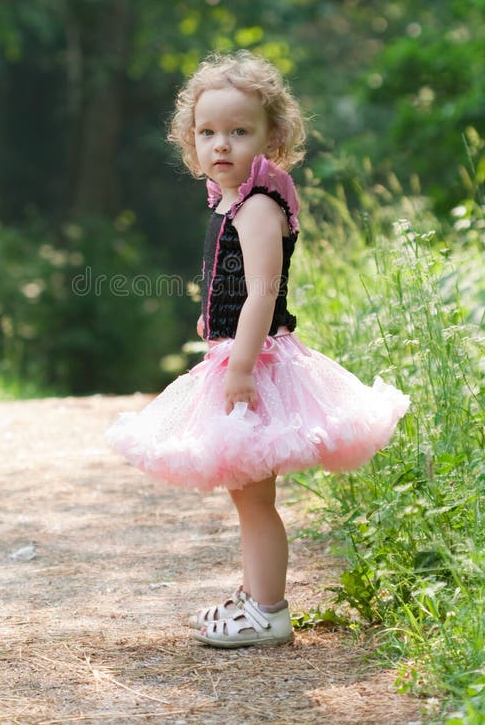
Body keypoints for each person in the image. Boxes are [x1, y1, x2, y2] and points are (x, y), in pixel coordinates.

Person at [106, 50, 410, 649]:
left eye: (239, 132)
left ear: (272, 137)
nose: (221, 144)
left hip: (258, 363)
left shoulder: (258, 206)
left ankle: (268, 610)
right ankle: (256, 597)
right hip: (237, 355)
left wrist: (240, 365)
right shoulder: (232, 198)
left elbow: (263, 293)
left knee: (254, 498)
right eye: (208, 132)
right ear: (191, 140)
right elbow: (232, 281)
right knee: (249, 497)